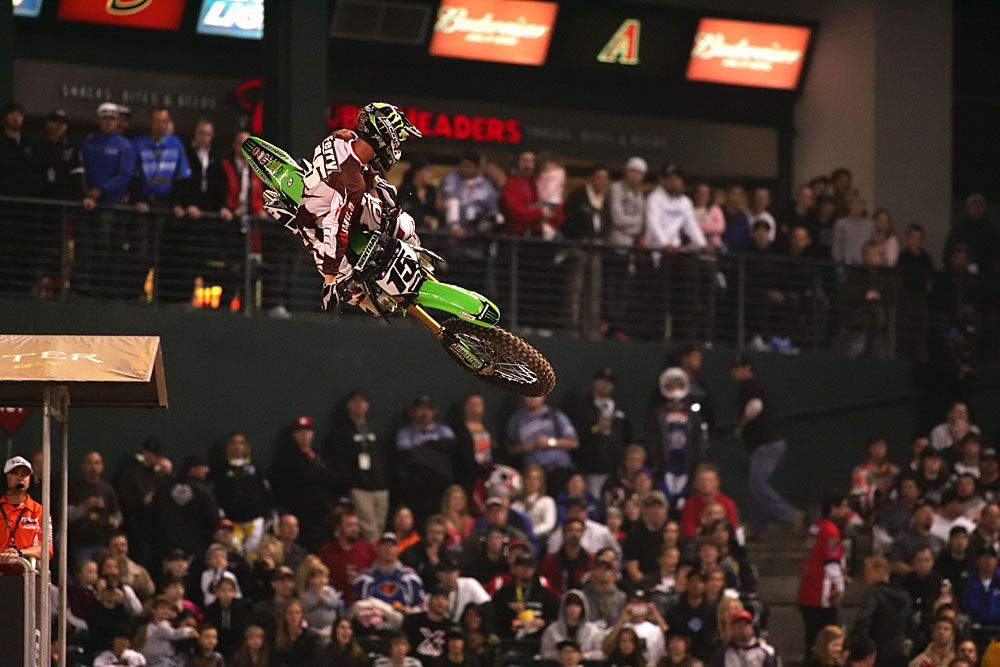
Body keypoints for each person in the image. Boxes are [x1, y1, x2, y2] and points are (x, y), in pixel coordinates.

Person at [260, 102, 423, 312]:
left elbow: (354, 159)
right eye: (397, 139)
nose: (398, 146)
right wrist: (330, 281)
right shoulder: (349, 183)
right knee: (366, 299)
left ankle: (416, 261)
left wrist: (374, 180)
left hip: (333, 195)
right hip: (316, 222)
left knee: (403, 224)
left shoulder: (343, 136)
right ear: (383, 136)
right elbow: (336, 231)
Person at [731, 353, 801, 536]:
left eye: (740, 368)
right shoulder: (751, 385)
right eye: (735, 369)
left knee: (757, 485)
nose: (737, 372)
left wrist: (742, 423)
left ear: (748, 368)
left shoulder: (749, 385)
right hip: (764, 444)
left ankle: (791, 515)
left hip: (766, 444)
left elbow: (755, 406)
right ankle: (756, 527)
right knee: (754, 486)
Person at [395, 395, 470, 526]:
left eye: (428, 409)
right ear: (412, 412)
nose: (425, 413)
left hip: (441, 484)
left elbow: (450, 446)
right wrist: (433, 448)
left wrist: (421, 448)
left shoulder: (443, 430)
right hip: (417, 488)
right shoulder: (405, 433)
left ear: (434, 412)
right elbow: (405, 452)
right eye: (421, 409)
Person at [269, 415, 335, 551]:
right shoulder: (286, 459)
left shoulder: (321, 457)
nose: (304, 435)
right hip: (300, 514)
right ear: (294, 435)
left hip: (322, 514)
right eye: (300, 432)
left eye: (307, 431)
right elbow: (280, 486)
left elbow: (331, 479)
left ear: (312, 433)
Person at [646, 367, 709, 507]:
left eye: (678, 384)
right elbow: (653, 440)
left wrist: (698, 463)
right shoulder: (658, 413)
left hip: (687, 465)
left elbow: (699, 440)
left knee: (685, 501)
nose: (675, 388)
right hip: (665, 465)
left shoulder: (693, 414)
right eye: (671, 384)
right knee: (664, 498)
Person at [562, 164, 611, 338]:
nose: (603, 181)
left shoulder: (606, 199)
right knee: (576, 289)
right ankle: (573, 328)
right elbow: (568, 221)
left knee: (594, 291)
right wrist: (581, 237)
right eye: (599, 177)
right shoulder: (578, 196)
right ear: (592, 178)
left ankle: (591, 330)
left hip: (596, 251)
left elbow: (608, 223)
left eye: (606, 178)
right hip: (579, 249)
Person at [799, 492, 850, 656]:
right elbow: (831, 562)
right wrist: (840, 585)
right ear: (833, 508)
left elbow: (815, 556)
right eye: (843, 506)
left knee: (811, 641)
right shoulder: (831, 531)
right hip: (821, 596)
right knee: (825, 643)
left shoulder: (816, 527)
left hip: (807, 591)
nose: (846, 511)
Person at [211, 432, 273, 555]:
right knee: (234, 552)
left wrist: (268, 514)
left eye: (241, 443)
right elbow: (217, 494)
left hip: (255, 520)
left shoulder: (255, 469)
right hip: (233, 521)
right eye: (234, 443)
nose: (237, 446)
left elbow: (265, 492)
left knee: (253, 552)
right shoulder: (221, 470)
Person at [605, 156, 647, 338]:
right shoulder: (615, 189)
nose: (636, 176)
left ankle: (618, 328)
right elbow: (617, 218)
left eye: (640, 173)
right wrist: (632, 224)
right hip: (612, 247)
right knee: (609, 288)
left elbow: (641, 223)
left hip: (628, 249)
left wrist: (628, 225)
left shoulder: (640, 195)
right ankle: (607, 326)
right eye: (633, 171)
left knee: (623, 291)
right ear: (626, 171)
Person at [154, 454, 220, 566]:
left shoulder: (165, 487)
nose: (207, 470)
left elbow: (155, 515)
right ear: (192, 469)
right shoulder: (203, 491)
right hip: (196, 550)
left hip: (167, 548)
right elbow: (213, 520)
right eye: (203, 466)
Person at [505, 395, 579, 493]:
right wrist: (529, 446)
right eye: (529, 394)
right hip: (534, 475)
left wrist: (550, 442)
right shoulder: (516, 419)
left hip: (560, 471)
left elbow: (574, 443)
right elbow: (509, 449)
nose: (533, 398)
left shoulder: (555, 415)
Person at [849, 556, 910, 667]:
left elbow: (863, 620)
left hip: (878, 648)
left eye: (868, 572)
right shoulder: (903, 593)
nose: (866, 576)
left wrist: (853, 642)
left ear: (880, 571)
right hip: (900, 647)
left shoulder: (874, 592)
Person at [67, 450, 122, 566]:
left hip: (103, 544)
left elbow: (117, 515)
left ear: (102, 466)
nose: (93, 467)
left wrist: (112, 522)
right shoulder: (75, 488)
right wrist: (85, 506)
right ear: (83, 466)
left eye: (97, 463)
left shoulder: (107, 490)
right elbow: (67, 516)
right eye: (90, 463)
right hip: (81, 544)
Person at [491, 551, 559, 639]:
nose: (525, 569)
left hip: (537, 643)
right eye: (522, 566)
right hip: (508, 642)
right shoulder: (502, 594)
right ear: (514, 569)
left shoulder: (545, 595)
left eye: (529, 566)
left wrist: (543, 622)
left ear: (534, 570)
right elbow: (494, 618)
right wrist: (509, 609)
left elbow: (555, 618)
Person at [0, 456, 52, 569]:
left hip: (28, 577)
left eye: (25, 474)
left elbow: (46, 550)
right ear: (4, 478)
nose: (20, 477)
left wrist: (20, 553)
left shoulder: (39, 511)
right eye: (14, 473)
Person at [354, 532, 425, 611]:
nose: (388, 549)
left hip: (404, 619)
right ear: (377, 549)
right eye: (385, 545)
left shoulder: (410, 578)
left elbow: (420, 606)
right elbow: (358, 606)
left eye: (392, 545)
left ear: (398, 549)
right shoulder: (365, 579)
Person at [896, 223, 935, 361]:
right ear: (908, 238)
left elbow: (931, 276)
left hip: (921, 296)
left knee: (921, 329)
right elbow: (898, 275)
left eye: (919, 238)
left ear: (922, 240)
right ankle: (902, 360)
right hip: (906, 296)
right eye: (913, 237)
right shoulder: (903, 256)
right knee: (904, 329)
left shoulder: (926, 258)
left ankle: (921, 361)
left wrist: (927, 289)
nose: (915, 241)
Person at [667, 568, 719, 661]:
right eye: (692, 580)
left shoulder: (713, 611)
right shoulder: (675, 611)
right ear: (687, 583)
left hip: (706, 657)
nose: (696, 585)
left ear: (705, 585)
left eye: (700, 581)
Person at [540, 589, 606, 660]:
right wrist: (561, 656)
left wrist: (583, 656)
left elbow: (601, 654)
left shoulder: (593, 631)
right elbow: (544, 653)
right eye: (569, 605)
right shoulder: (552, 630)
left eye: (577, 605)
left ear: (583, 608)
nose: (572, 608)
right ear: (564, 607)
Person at [603, 594, 669, 664]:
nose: (637, 606)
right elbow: (606, 648)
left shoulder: (657, 630)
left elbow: (674, 641)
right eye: (633, 603)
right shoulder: (619, 628)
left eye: (640, 603)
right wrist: (622, 621)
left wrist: (658, 619)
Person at [681, 463, 739, 540]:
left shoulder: (728, 504)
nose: (705, 484)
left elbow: (732, 530)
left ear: (717, 482)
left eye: (709, 480)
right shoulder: (689, 505)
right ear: (695, 483)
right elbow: (689, 532)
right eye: (701, 480)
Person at [541, 518, 594, 596]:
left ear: (582, 534)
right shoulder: (550, 561)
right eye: (570, 530)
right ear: (564, 533)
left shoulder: (591, 560)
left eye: (578, 530)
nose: (574, 534)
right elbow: (545, 584)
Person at [851, 437, 901, 518]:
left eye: (881, 447)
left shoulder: (894, 470)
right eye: (876, 447)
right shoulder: (860, 470)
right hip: (867, 512)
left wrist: (898, 476)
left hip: (891, 512)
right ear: (870, 449)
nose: (879, 450)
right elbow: (858, 495)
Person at [203, 575, 249, 660]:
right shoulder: (211, 609)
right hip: (216, 645)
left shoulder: (241, 609)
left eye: (230, 590)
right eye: (223, 590)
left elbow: (242, 628)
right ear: (217, 592)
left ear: (234, 592)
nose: (226, 594)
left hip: (236, 645)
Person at [144, 595, 198, 667]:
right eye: (162, 608)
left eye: (169, 609)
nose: (166, 611)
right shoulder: (160, 627)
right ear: (154, 610)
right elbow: (173, 634)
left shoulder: (168, 626)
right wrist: (188, 631)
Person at [710, 609, 777, 667]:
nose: (742, 628)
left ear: (751, 627)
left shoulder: (762, 654)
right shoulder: (722, 654)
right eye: (739, 624)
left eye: (746, 624)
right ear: (732, 627)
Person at [512, 465, 557, 546]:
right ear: (524, 481)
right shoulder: (516, 505)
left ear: (541, 482)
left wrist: (530, 533)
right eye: (529, 478)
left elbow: (549, 524)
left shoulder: (547, 501)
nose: (532, 481)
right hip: (518, 541)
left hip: (539, 541)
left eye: (536, 478)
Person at [274, 599, 322, 667]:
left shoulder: (311, 637)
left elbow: (314, 661)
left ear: (302, 615)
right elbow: (276, 660)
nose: (293, 616)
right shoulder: (278, 637)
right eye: (290, 613)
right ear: (284, 616)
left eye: (297, 612)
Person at [832, 193, 875, 265]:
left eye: (861, 204)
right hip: (847, 263)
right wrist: (838, 266)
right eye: (855, 204)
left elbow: (873, 245)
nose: (858, 207)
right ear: (849, 206)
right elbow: (836, 246)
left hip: (865, 265)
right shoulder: (841, 223)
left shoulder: (870, 225)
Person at [964, 547, 1000, 625]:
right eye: (984, 557)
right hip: (976, 626)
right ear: (977, 560)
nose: (988, 561)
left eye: (991, 557)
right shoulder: (969, 583)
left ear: (996, 560)